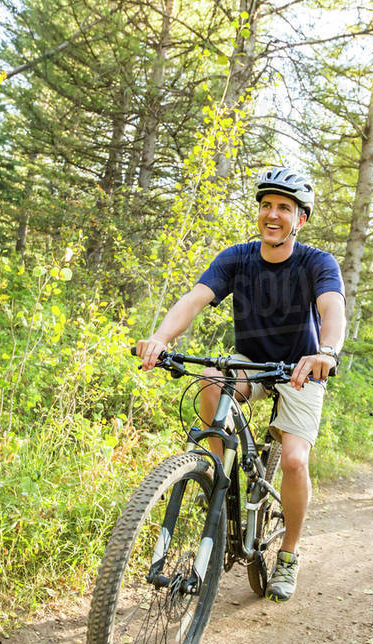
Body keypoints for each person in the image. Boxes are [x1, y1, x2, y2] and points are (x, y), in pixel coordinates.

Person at [135, 166, 346, 603]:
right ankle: (220, 478)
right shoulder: (237, 258)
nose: (272, 215)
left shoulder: (316, 263)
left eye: (284, 208)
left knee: (292, 460)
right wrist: (160, 338)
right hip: (251, 361)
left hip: (300, 368)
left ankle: (288, 554)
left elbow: (332, 309)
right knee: (212, 378)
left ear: (299, 219)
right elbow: (194, 299)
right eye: (266, 205)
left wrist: (326, 351)